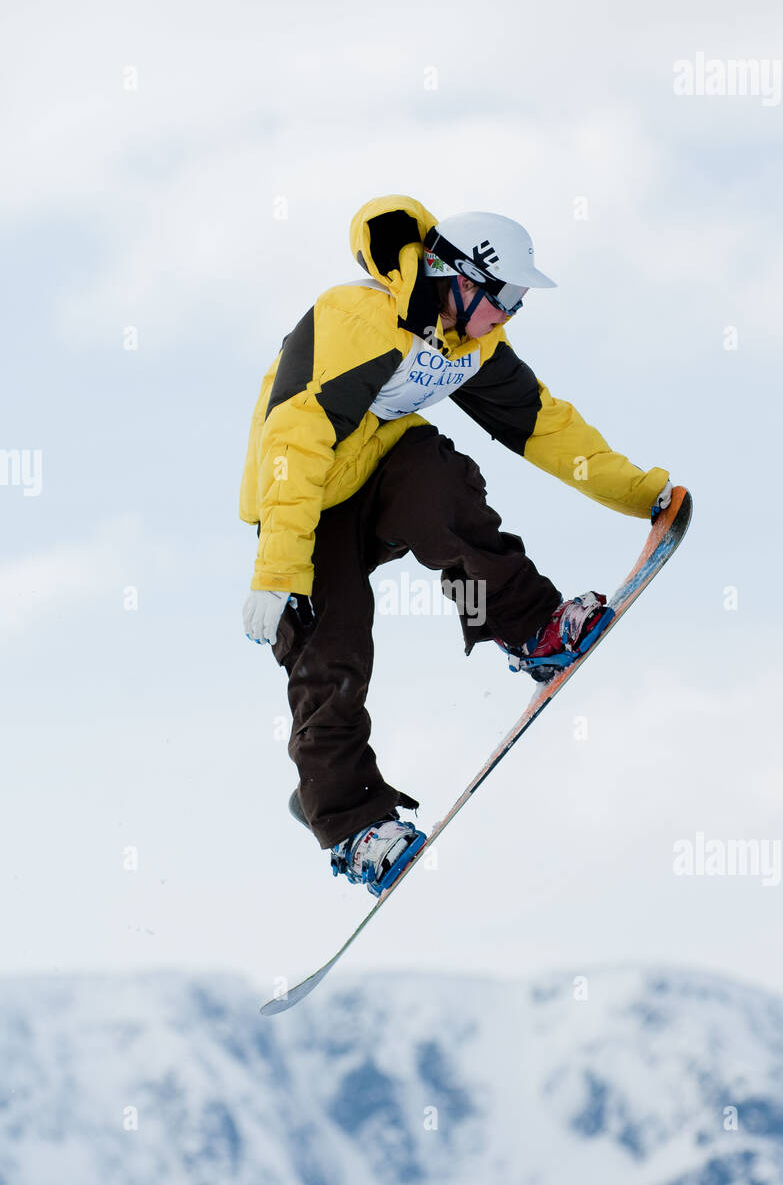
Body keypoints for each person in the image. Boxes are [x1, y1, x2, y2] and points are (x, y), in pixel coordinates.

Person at [240, 195, 672, 897]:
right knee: (332, 653)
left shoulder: (468, 346)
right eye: (504, 298)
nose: (508, 316)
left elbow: (545, 426)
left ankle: (531, 628)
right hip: (304, 505)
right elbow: (291, 443)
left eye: (518, 305)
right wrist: (277, 569)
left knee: (437, 482)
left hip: (380, 472)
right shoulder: (358, 323)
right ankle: (353, 825)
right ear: (457, 277)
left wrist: (640, 494)